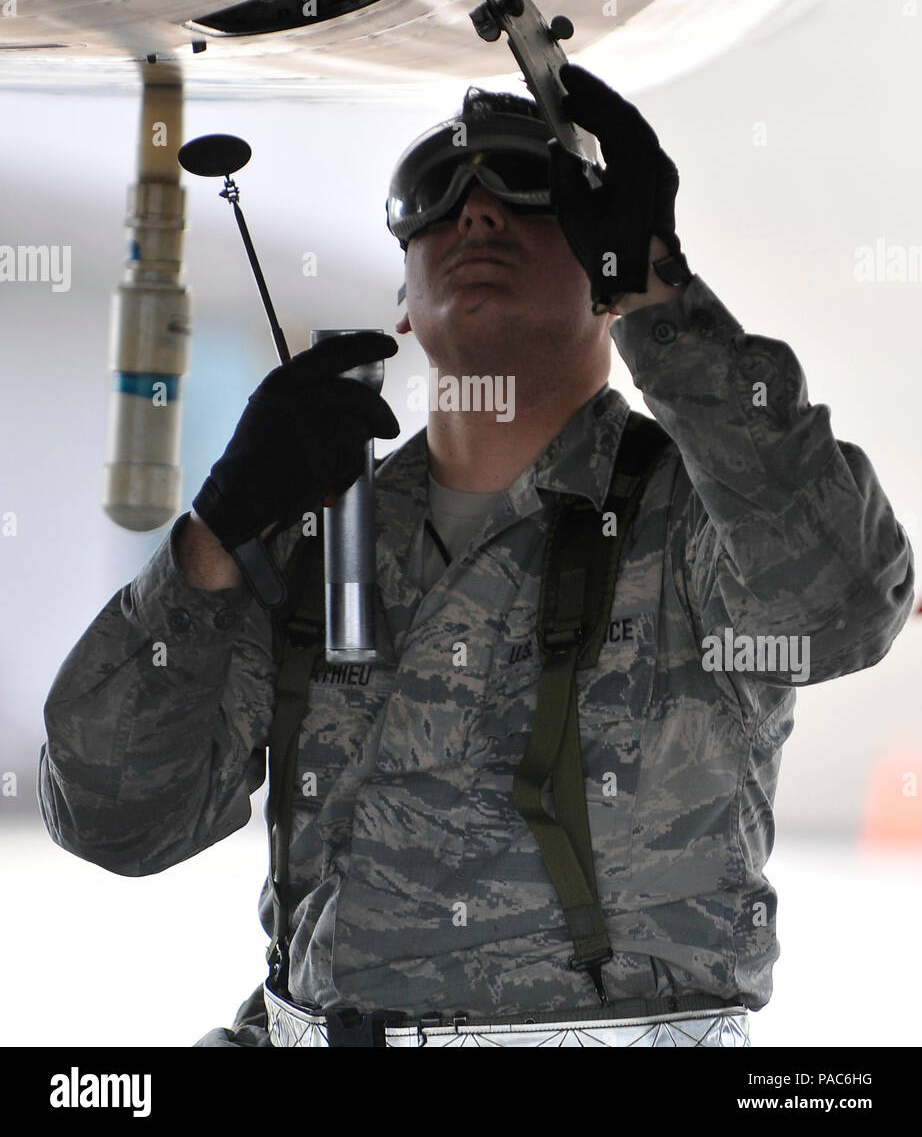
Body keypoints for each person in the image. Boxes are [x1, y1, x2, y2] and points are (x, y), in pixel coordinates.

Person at [38, 66, 915, 1049]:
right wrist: (212, 533)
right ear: (403, 299)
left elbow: (838, 602)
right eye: (433, 195)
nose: (480, 215)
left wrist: (665, 299)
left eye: (525, 185)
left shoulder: (696, 518)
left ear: (602, 266)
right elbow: (112, 813)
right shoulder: (323, 535)